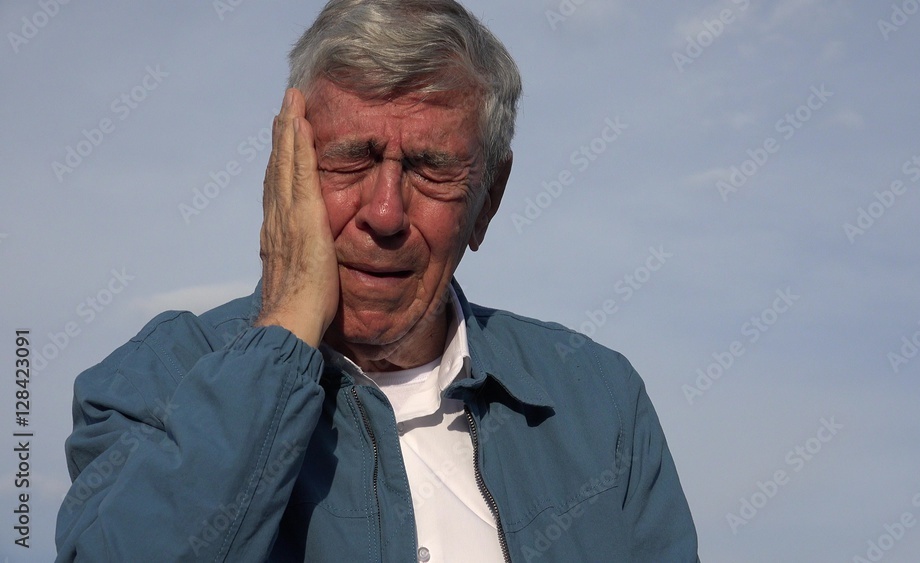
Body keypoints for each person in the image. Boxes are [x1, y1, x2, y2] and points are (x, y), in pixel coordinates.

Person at [55, 0, 699, 560]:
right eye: (350, 160)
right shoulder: (153, 380)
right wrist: (283, 335)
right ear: (289, 169)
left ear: (490, 199)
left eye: (431, 168)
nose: (385, 213)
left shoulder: (597, 400)